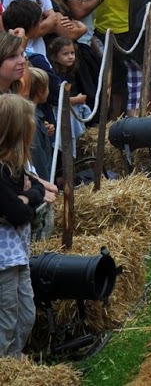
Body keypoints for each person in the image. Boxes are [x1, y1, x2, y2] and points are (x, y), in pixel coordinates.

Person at [0, 92, 51, 356]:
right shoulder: (1, 171)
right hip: (2, 259)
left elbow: (38, 191)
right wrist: (26, 200)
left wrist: (26, 196)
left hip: (17, 253)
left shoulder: (15, 166)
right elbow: (18, 213)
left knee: (26, 313)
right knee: (6, 318)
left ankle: (14, 366)